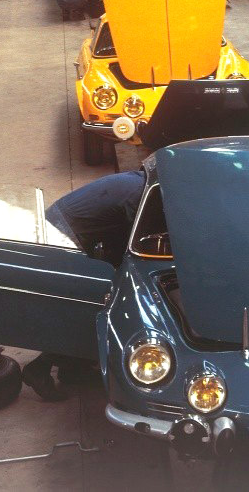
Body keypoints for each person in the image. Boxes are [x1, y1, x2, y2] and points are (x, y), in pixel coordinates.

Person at [25, 169, 148, 401]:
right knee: (92, 306)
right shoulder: (137, 194)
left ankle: (72, 369)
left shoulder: (135, 181)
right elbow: (138, 241)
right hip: (61, 238)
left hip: (61, 230)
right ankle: (38, 368)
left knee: (92, 301)